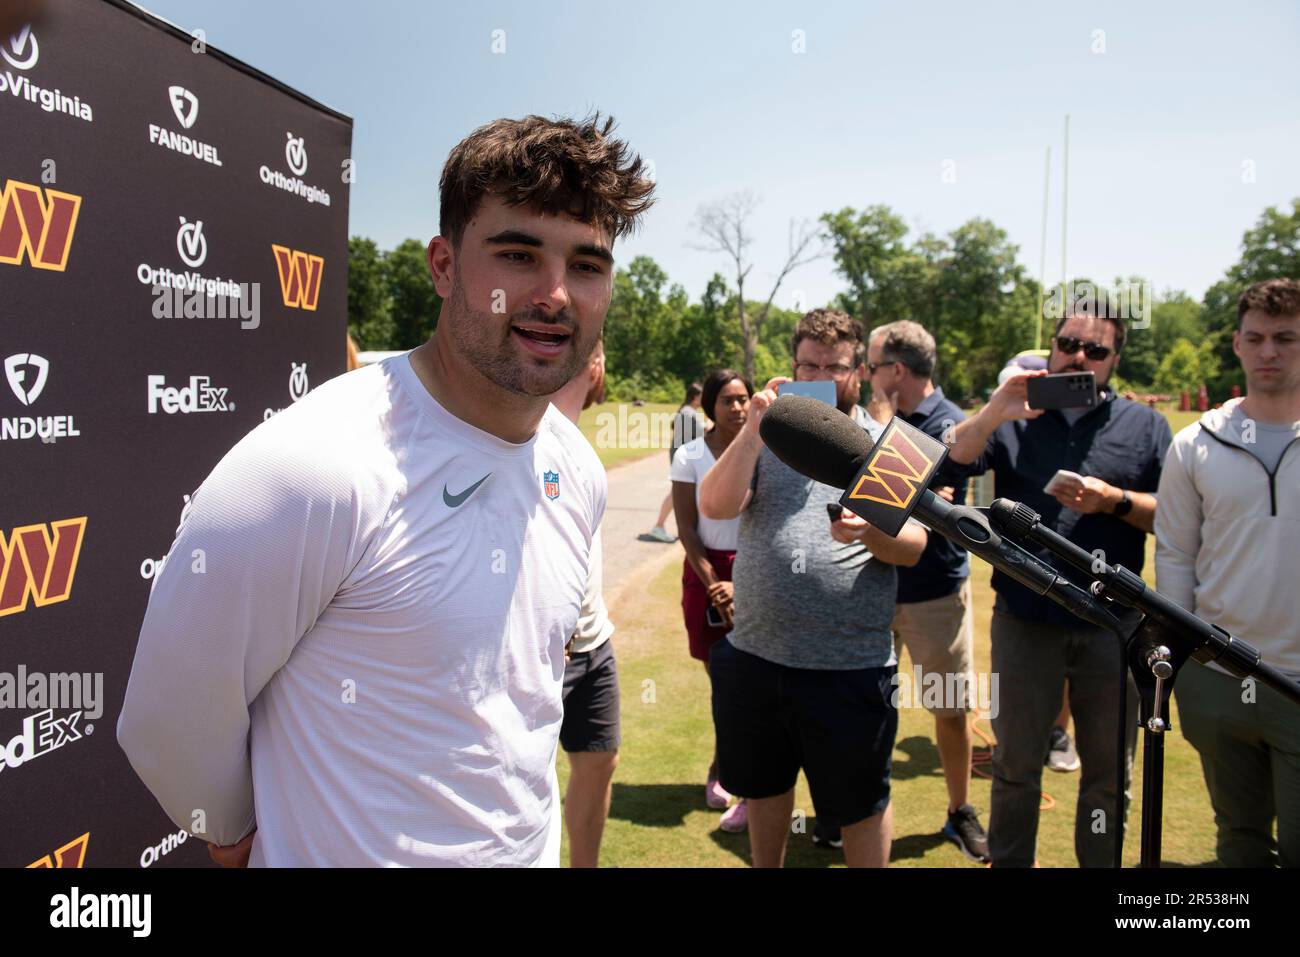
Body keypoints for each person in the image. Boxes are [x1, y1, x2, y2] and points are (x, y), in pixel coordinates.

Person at [117, 114, 655, 867]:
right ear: (442, 265)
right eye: (517, 254)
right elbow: (166, 720)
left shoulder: (580, 470)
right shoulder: (314, 466)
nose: (557, 293)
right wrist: (240, 838)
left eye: (588, 265)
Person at [940, 294, 1172, 867]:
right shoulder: (1015, 416)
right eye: (1068, 343)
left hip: (1111, 627)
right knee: (1015, 768)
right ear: (1051, 346)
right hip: (1025, 620)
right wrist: (995, 409)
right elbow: (948, 465)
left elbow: (1172, 515)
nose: (1078, 357)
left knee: (1108, 774)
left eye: (1096, 349)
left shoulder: (1146, 425)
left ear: (1114, 359)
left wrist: (1113, 501)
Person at [699, 309, 928, 868]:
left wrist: (874, 531)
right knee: (765, 787)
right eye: (809, 364)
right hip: (757, 657)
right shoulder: (770, 434)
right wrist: (753, 429)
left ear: (859, 371)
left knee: (861, 805)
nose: (822, 374)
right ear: (794, 365)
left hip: (850, 666)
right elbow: (715, 505)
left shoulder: (890, 445)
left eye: (835, 366)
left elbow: (916, 546)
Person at [1156, 277, 1300, 867]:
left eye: (1286, 338)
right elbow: (1175, 554)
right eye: (1257, 338)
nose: (1270, 351)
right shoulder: (1195, 444)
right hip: (1216, 676)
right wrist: (1187, 658)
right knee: (1238, 841)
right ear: (1237, 345)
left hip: (1297, 681)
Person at [865, 320, 989, 863]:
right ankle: (863, 811)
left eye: (870, 367)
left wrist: (884, 430)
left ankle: (959, 812)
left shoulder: (949, 425)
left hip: (933, 591)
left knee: (949, 708)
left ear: (895, 371)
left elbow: (890, 499)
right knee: (870, 708)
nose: (866, 378)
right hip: (873, 587)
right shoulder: (876, 419)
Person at [669, 368, 752, 831]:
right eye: (728, 401)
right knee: (724, 681)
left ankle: (731, 775)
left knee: (743, 685)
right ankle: (725, 771)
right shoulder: (690, 455)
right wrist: (714, 584)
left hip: (755, 573)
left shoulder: (763, 450)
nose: (738, 408)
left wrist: (742, 582)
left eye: (744, 399)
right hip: (705, 574)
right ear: (711, 407)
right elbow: (685, 527)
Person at [549, 337, 621, 868]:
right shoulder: (528, 428)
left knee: (600, 763)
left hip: (595, 642)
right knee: (524, 776)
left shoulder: (577, 441)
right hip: (544, 652)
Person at [647, 383, 704, 542]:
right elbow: (704, 433)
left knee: (684, 491)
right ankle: (659, 526)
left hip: (683, 454)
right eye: (701, 396)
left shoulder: (687, 411)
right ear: (695, 397)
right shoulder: (689, 413)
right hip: (684, 456)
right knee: (677, 492)